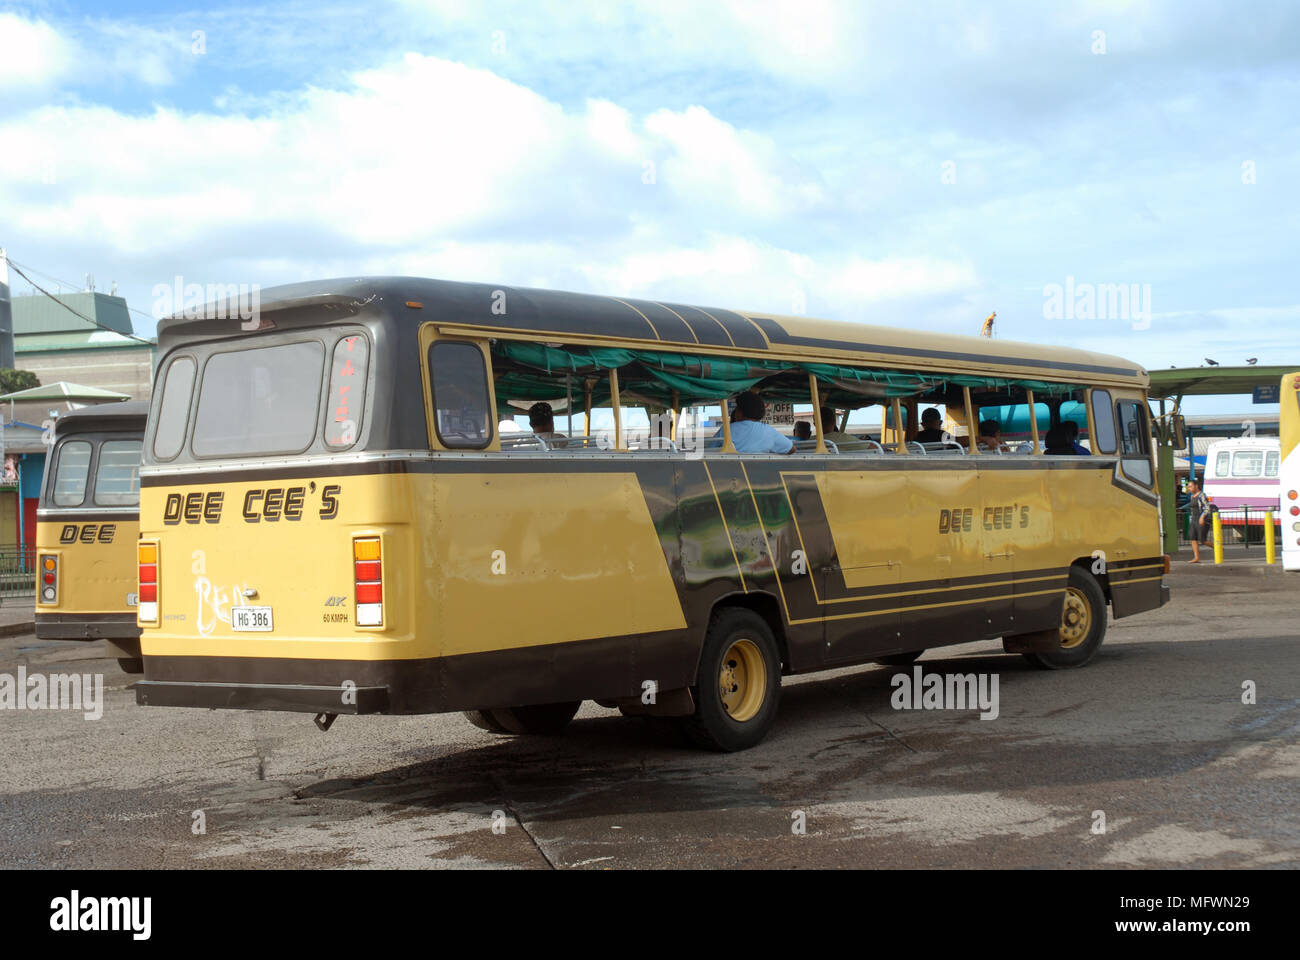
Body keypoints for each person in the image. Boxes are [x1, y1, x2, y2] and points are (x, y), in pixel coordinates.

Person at [716, 392, 794, 454]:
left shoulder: (726, 430)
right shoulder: (768, 431)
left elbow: (710, 448)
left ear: (740, 412)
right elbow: (791, 449)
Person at [1186, 479, 1212, 563]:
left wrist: (1202, 517)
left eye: (1191, 486)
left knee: (1203, 540)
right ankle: (1196, 557)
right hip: (1193, 519)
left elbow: (1207, 508)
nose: (1189, 488)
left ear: (1196, 486)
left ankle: (1218, 547)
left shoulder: (1202, 495)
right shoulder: (1192, 496)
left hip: (1201, 519)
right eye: (1188, 486)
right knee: (1193, 538)